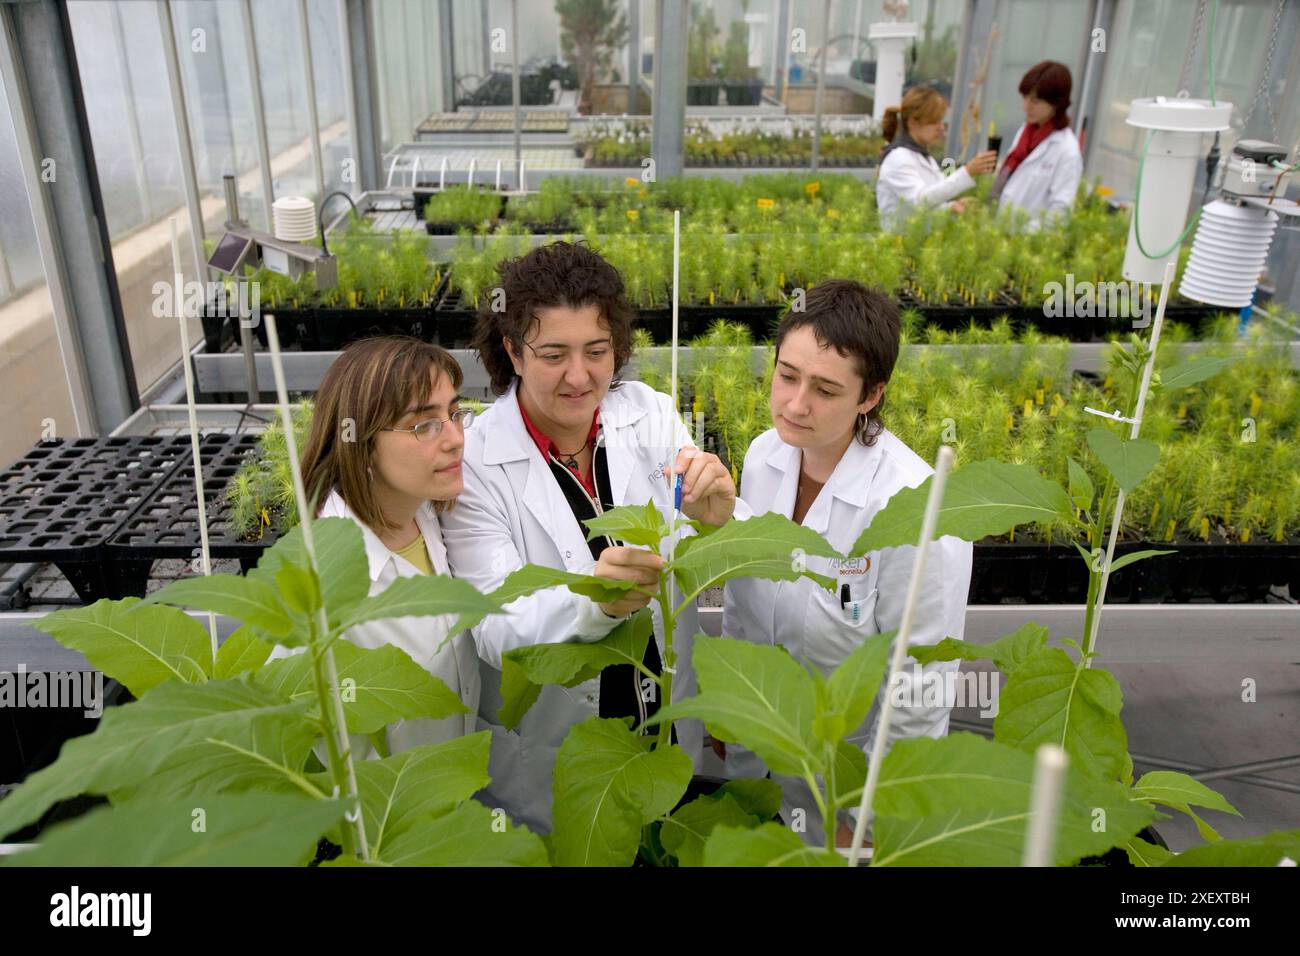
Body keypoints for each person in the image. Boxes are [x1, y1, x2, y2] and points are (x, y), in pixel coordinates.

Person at [439, 241, 744, 833]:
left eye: (597, 351)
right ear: (513, 351)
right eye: (553, 354)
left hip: (664, 731)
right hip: (554, 759)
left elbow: (701, 523)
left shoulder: (649, 414)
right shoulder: (477, 460)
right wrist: (592, 602)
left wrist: (719, 514)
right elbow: (495, 625)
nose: (579, 376)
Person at [721, 280, 973, 846]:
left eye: (825, 390)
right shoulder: (766, 457)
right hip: (760, 753)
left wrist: (864, 817)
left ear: (870, 395)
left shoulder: (916, 511)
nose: (795, 403)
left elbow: (920, 683)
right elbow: (742, 595)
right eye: (787, 375)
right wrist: (731, 715)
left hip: (845, 781)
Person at [297, 335, 479, 752]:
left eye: (454, 413)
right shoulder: (321, 587)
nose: (454, 438)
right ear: (360, 445)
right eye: (424, 425)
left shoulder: (426, 514)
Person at [875, 85, 997, 229]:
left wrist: (952, 207)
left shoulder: (926, 158)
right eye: (934, 121)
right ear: (913, 122)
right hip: (899, 244)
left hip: (918, 242)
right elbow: (920, 201)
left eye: (942, 121)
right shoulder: (897, 158)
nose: (941, 127)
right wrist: (967, 172)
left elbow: (931, 201)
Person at [992, 61, 1084, 230]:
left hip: (1026, 244)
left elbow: (1060, 213)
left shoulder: (1067, 150)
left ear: (1056, 103)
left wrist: (1021, 235)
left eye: (1035, 101)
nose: (1026, 107)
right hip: (1001, 234)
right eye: (1025, 98)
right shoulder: (1025, 133)